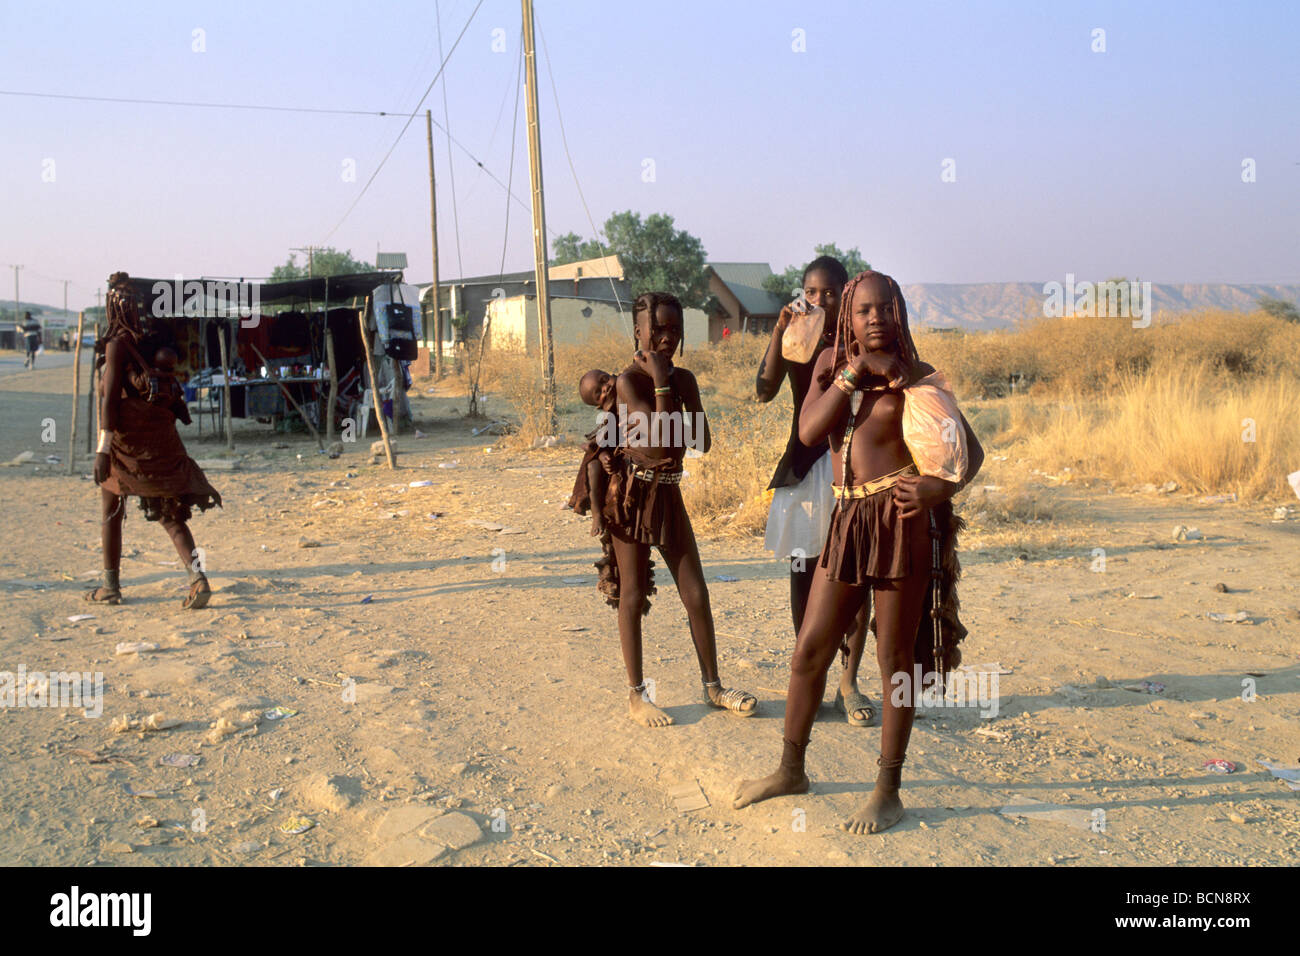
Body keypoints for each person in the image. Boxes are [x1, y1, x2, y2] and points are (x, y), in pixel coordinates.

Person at [734, 270, 984, 834]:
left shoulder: (918, 377)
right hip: (846, 518)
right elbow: (807, 431)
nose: (876, 319)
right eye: (865, 310)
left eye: (885, 309)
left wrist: (938, 488)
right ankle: (790, 769)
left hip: (899, 523)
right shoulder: (829, 369)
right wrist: (856, 371)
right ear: (847, 316)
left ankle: (887, 790)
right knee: (809, 650)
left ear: (899, 313)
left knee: (894, 662)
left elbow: (972, 451)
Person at [601, 292, 757, 727]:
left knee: (696, 592)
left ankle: (713, 687)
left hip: (668, 493)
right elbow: (655, 441)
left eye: (675, 329)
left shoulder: (685, 379)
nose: (668, 338)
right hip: (632, 496)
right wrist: (663, 383)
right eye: (659, 329)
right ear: (638, 332)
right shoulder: (629, 381)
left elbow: (700, 443)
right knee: (632, 594)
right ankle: (636, 697)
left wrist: (685, 390)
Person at [757, 255, 874, 726]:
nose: (819, 300)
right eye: (811, 292)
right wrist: (778, 333)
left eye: (829, 292)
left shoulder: (861, 338)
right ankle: (814, 673)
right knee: (804, 571)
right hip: (806, 470)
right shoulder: (799, 340)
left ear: (846, 294)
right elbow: (763, 390)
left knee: (856, 573)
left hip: (856, 469)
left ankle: (849, 681)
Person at [85, 271, 221, 609]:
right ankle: (198, 578)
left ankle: (110, 587)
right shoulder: (159, 340)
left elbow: (109, 400)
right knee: (169, 512)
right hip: (162, 441)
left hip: (126, 445)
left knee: (112, 511)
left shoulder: (117, 345)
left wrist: (103, 449)